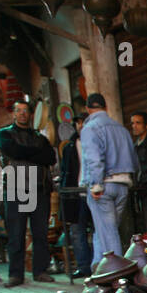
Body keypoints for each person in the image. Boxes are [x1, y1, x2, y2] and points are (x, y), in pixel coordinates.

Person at [0, 99, 57, 287]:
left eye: (26, 111)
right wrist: (34, 153)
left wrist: (24, 153)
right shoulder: (5, 133)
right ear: (14, 114)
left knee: (40, 233)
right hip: (16, 187)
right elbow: (11, 150)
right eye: (19, 110)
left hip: (39, 189)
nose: (22, 113)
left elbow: (50, 157)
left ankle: (40, 271)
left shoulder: (40, 137)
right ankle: (16, 275)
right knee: (16, 234)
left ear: (31, 114)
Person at [79, 92, 139, 265]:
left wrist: (96, 185)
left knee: (108, 232)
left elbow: (94, 159)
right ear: (105, 107)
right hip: (123, 185)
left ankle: (117, 275)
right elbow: (133, 159)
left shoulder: (90, 129)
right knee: (104, 231)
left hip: (104, 186)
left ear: (88, 109)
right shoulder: (121, 129)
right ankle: (98, 268)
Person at [58, 112, 92, 277]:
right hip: (75, 194)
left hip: (93, 191)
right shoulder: (70, 146)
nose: (81, 126)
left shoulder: (95, 141)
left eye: (83, 122)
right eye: (78, 123)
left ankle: (99, 265)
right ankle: (84, 267)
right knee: (77, 232)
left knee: (97, 230)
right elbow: (65, 172)